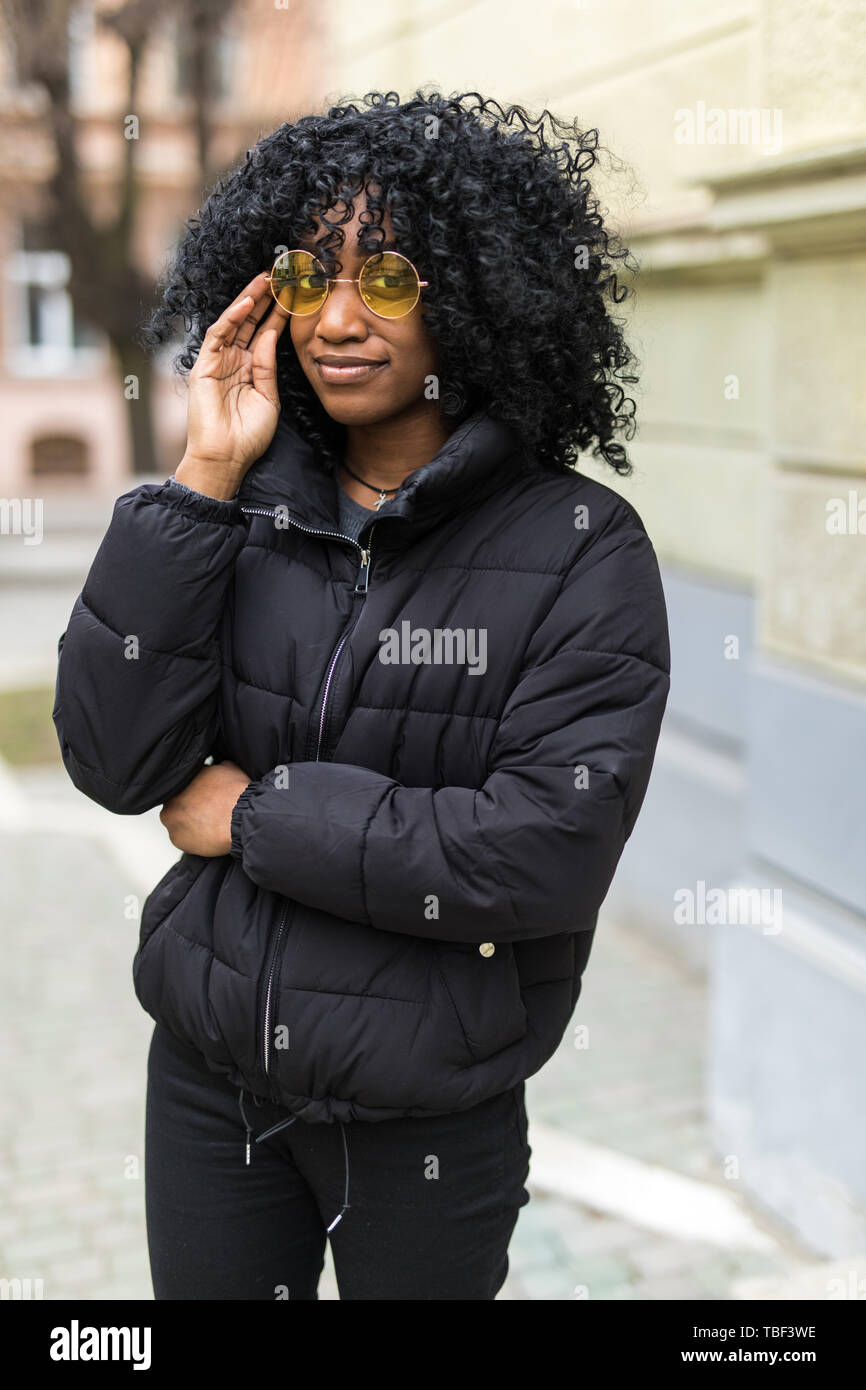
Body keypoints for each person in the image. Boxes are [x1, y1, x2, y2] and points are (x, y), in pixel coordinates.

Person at [53, 90, 671, 1301]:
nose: (338, 317)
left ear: (477, 300)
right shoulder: (231, 504)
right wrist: (199, 479)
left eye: (387, 278)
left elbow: (538, 852)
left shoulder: (581, 545)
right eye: (307, 272)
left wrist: (253, 818)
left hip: (426, 1111)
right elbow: (114, 762)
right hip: (211, 1078)